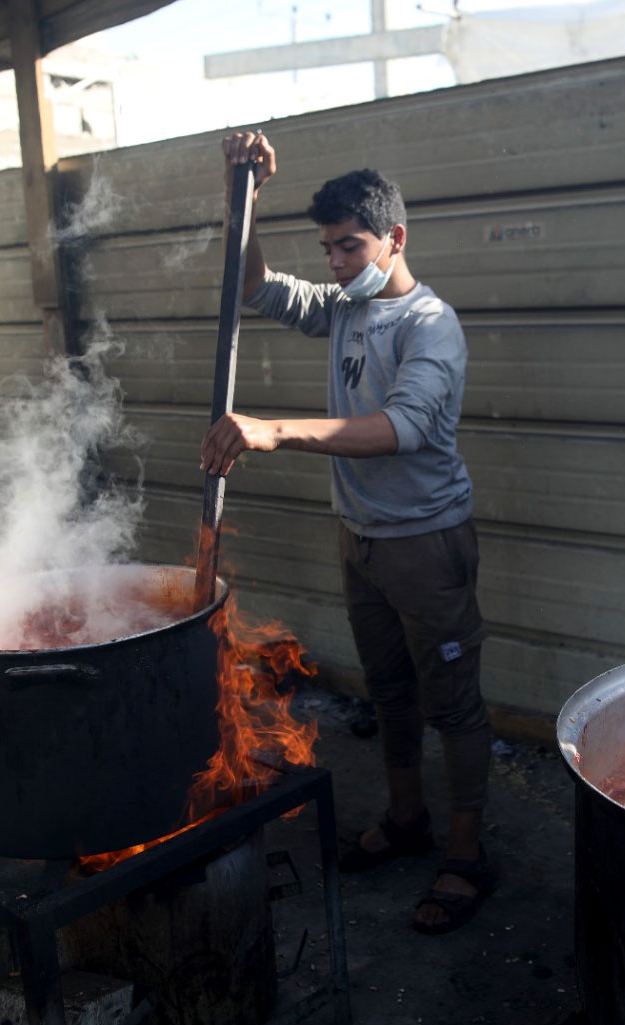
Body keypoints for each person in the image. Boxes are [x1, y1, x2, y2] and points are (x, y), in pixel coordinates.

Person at [200, 132, 495, 935]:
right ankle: (407, 821)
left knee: (454, 704)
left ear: (393, 238)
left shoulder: (429, 324)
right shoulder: (345, 305)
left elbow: (398, 429)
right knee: (389, 690)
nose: (333, 261)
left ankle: (466, 856)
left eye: (349, 245)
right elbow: (255, 281)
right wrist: (245, 193)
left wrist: (276, 431)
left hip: (425, 542)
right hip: (360, 537)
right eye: (327, 247)